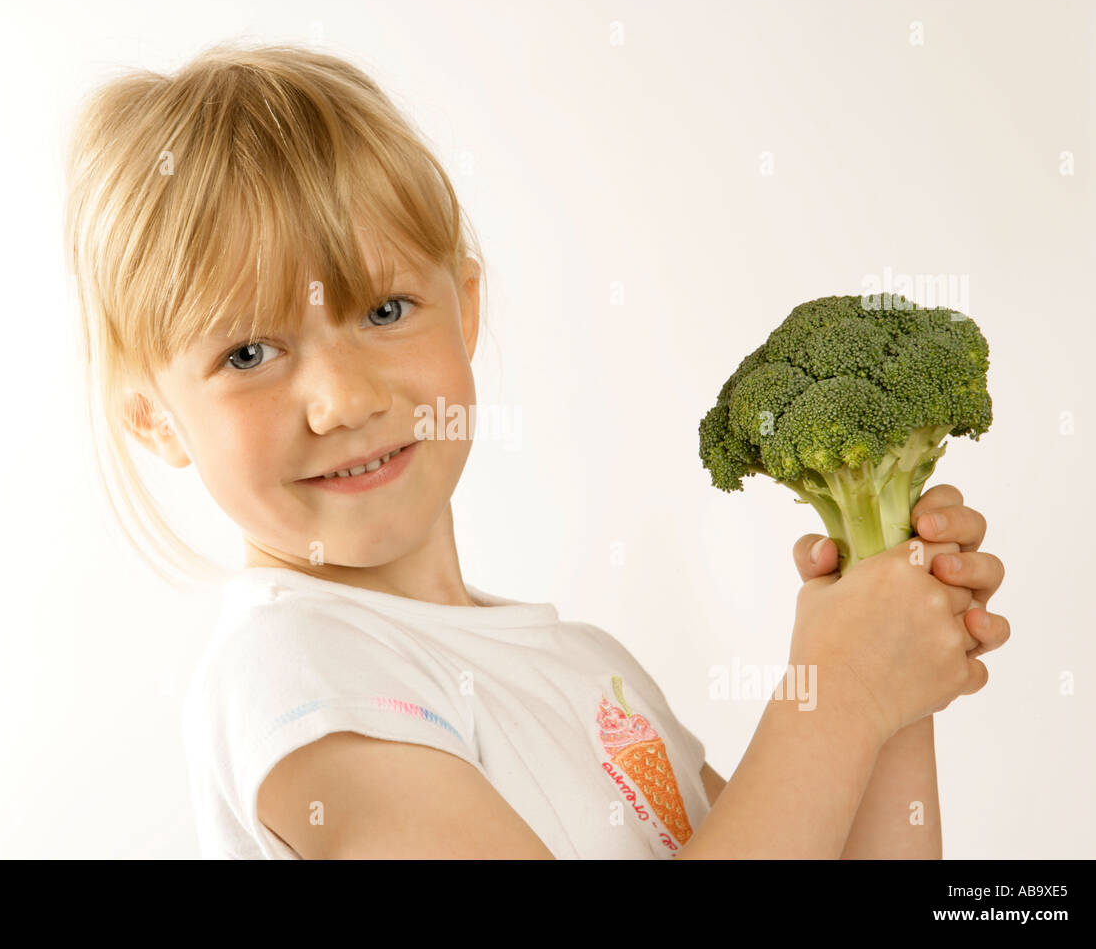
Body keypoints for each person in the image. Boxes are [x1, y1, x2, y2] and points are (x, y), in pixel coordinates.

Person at [61, 42, 1010, 859]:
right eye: (249, 353)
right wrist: (836, 697)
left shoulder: (584, 668)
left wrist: (888, 685)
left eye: (386, 310)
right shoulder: (297, 679)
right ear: (153, 418)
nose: (343, 400)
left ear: (464, 307)